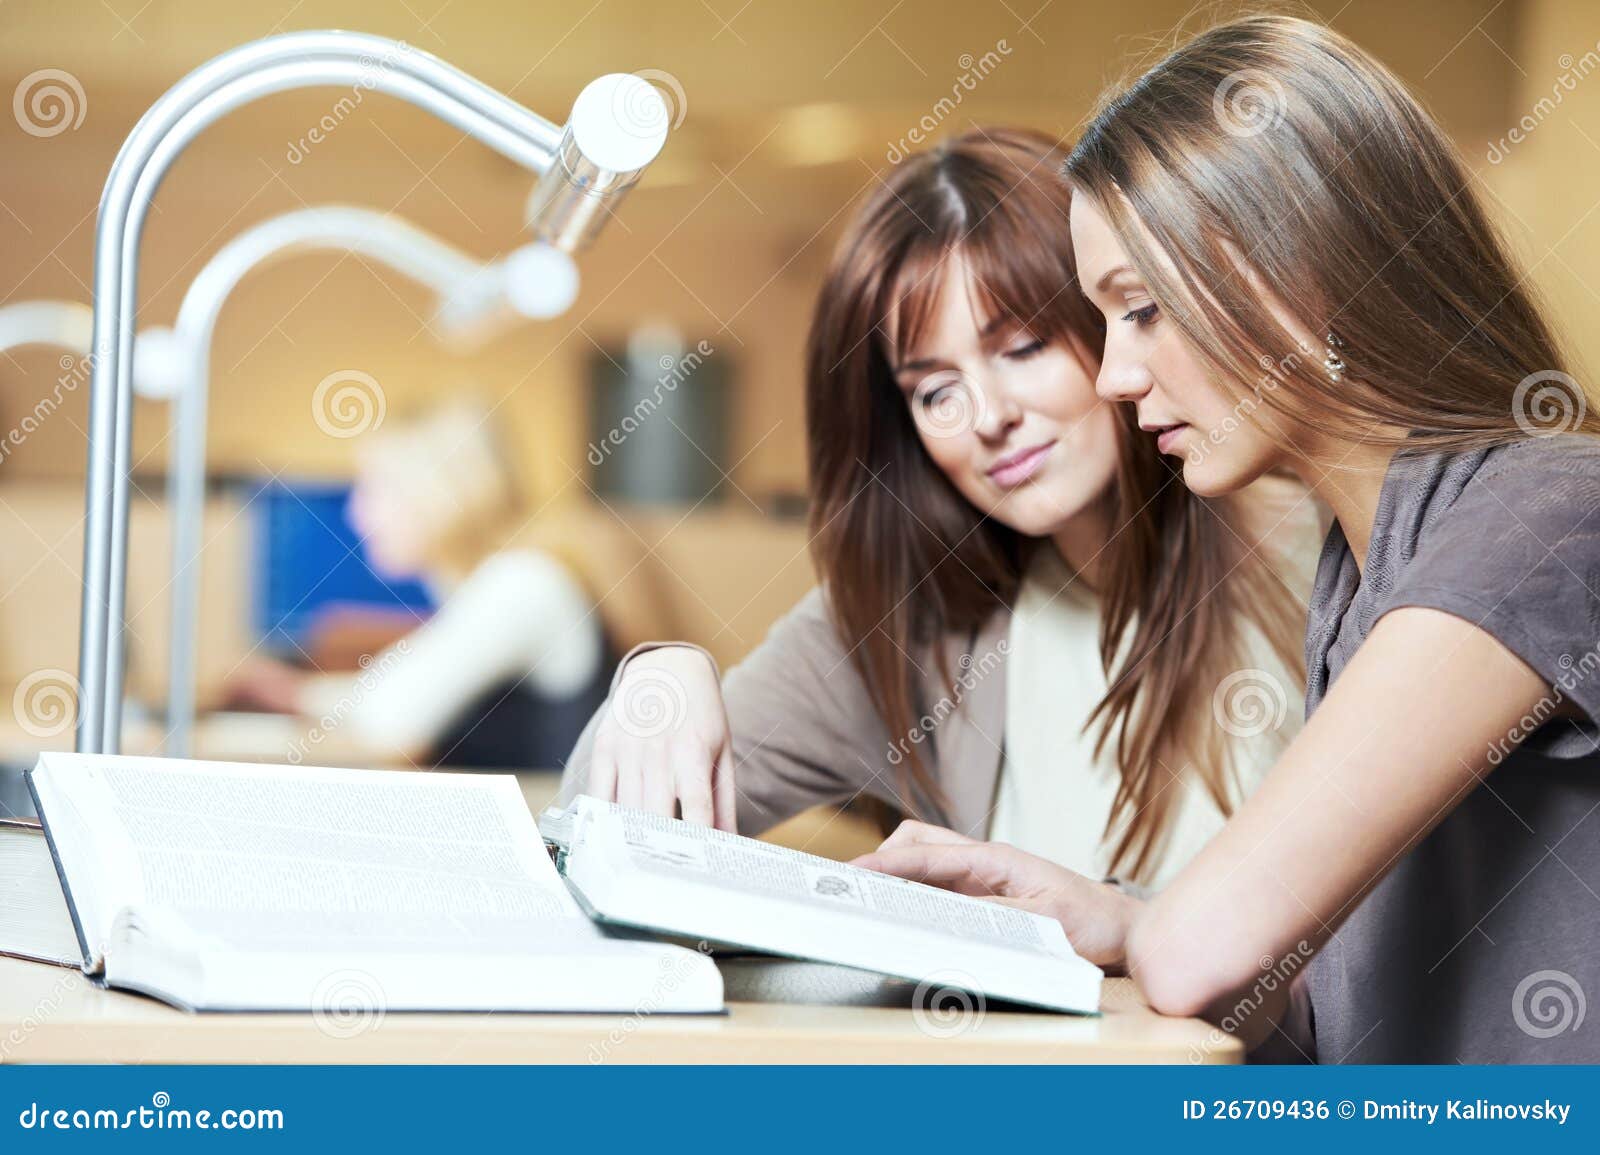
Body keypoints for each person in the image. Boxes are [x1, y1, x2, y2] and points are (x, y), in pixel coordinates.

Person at [856, 16, 1600, 1063]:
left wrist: (1154, 929)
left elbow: (1198, 950)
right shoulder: (1362, 566)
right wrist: (1118, 916)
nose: (1115, 376)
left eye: (1141, 309)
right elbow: (1342, 1021)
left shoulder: (1544, 510)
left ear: (1303, 275)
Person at [559, 127, 1320, 910]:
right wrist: (660, 676)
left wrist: (1128, 920)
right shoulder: (910, 626)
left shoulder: (1321, 543)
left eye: (1023, 347)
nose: (987, 417)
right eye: (934, 390)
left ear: (1113, 318)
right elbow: (599, 833)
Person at [228, 401, 655, 769]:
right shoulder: (494, 581)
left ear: (439, 492)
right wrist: (300, 695)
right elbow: (394, 687)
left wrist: (302, 698)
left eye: (376, 488)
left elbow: (393, 720)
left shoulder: (523, 582)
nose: (357, 513)